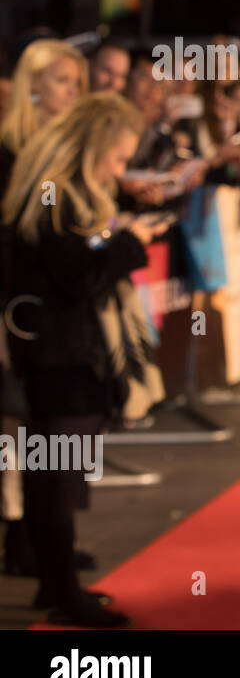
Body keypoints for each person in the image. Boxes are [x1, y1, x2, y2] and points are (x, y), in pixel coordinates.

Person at [2, 93, 171, 627]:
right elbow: (76, 276)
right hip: (61, 349)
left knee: (53, 470)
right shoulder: (59, 195)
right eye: (119, 157)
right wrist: (128, 243)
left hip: (53, 346)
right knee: (58, 470)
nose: (121, 169)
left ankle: (54, 583)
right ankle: (61, 591)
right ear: (96, 145)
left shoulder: (52, 188)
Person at [0, 39, 89, 578]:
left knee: (46, 430)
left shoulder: (64, 147)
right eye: (63, 81)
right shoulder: (11, 149)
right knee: (14, 426)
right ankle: (22, 539)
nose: (73, 93)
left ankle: (46, 539)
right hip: (15, 304)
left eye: (77, 84)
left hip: (50, 308)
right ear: (32, 82)